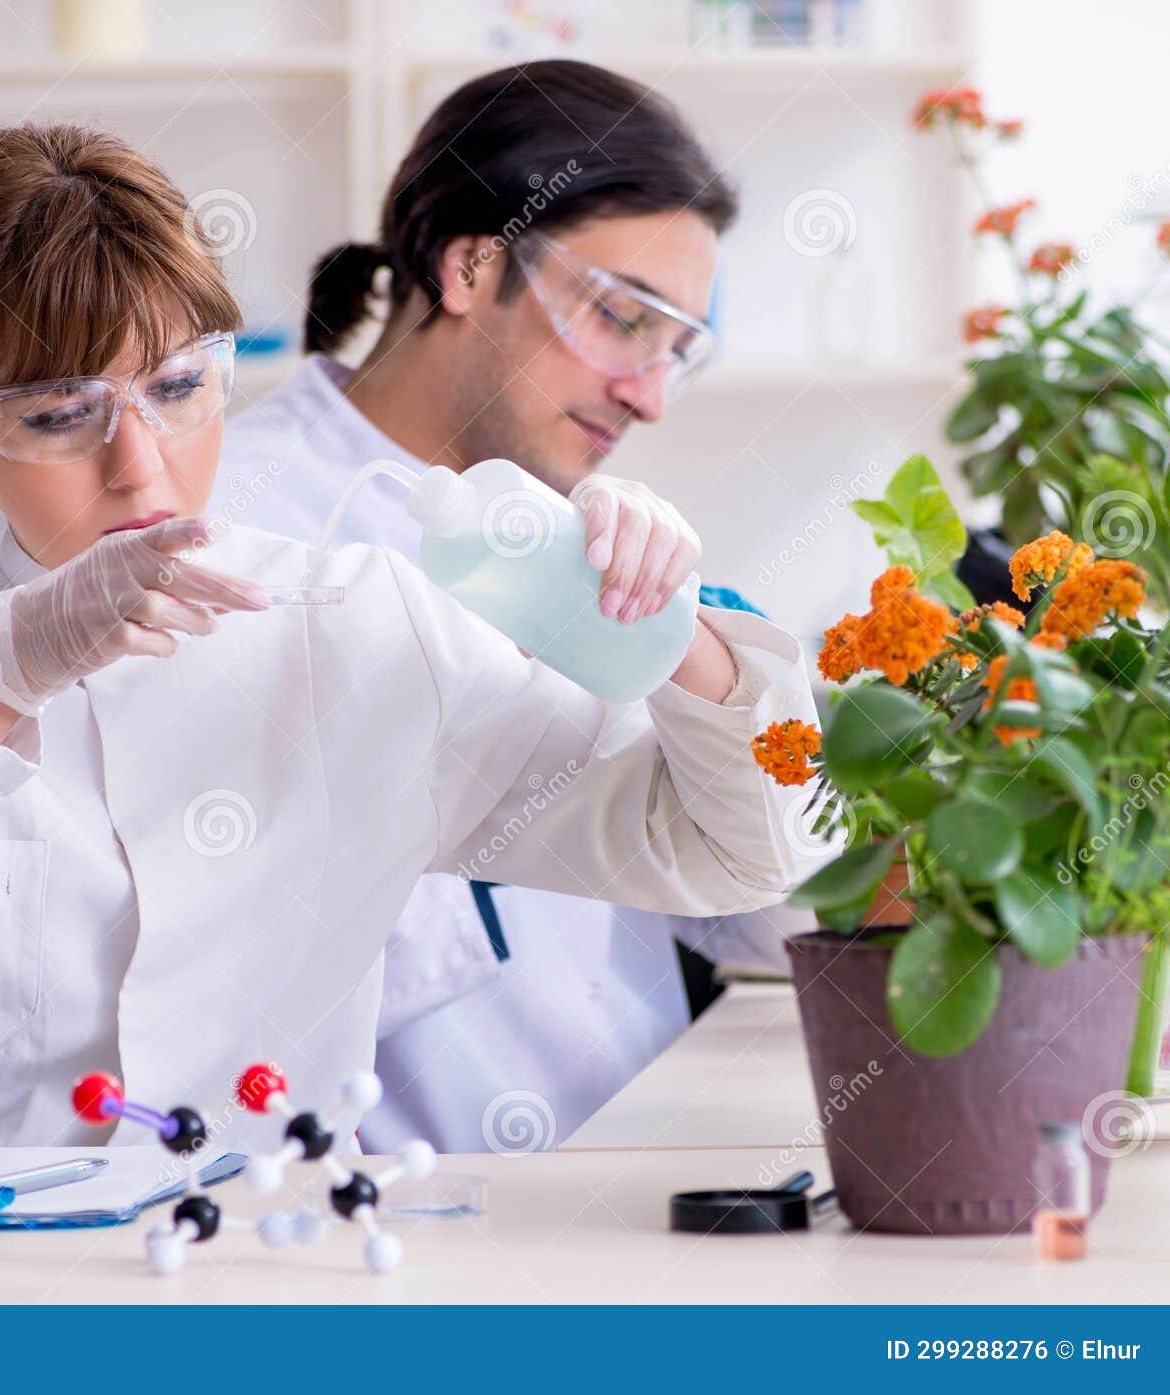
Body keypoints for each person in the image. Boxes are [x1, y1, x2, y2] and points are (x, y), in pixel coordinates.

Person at [0, 122, 820, 1151]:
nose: (140, 466)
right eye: (60, 414)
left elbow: (742, 859)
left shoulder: (362, 623)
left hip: (272, 1269)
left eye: (181, 388)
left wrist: (675, 635)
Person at [215, 61, 808, 1153]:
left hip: (646, 1184)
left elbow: (783, 921)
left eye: (679, 348)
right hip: (410, 1233)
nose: (652, 393)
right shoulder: (238, 522)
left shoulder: (592, 541)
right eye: (623, 317)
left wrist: (702, 654)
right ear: (470, 266)